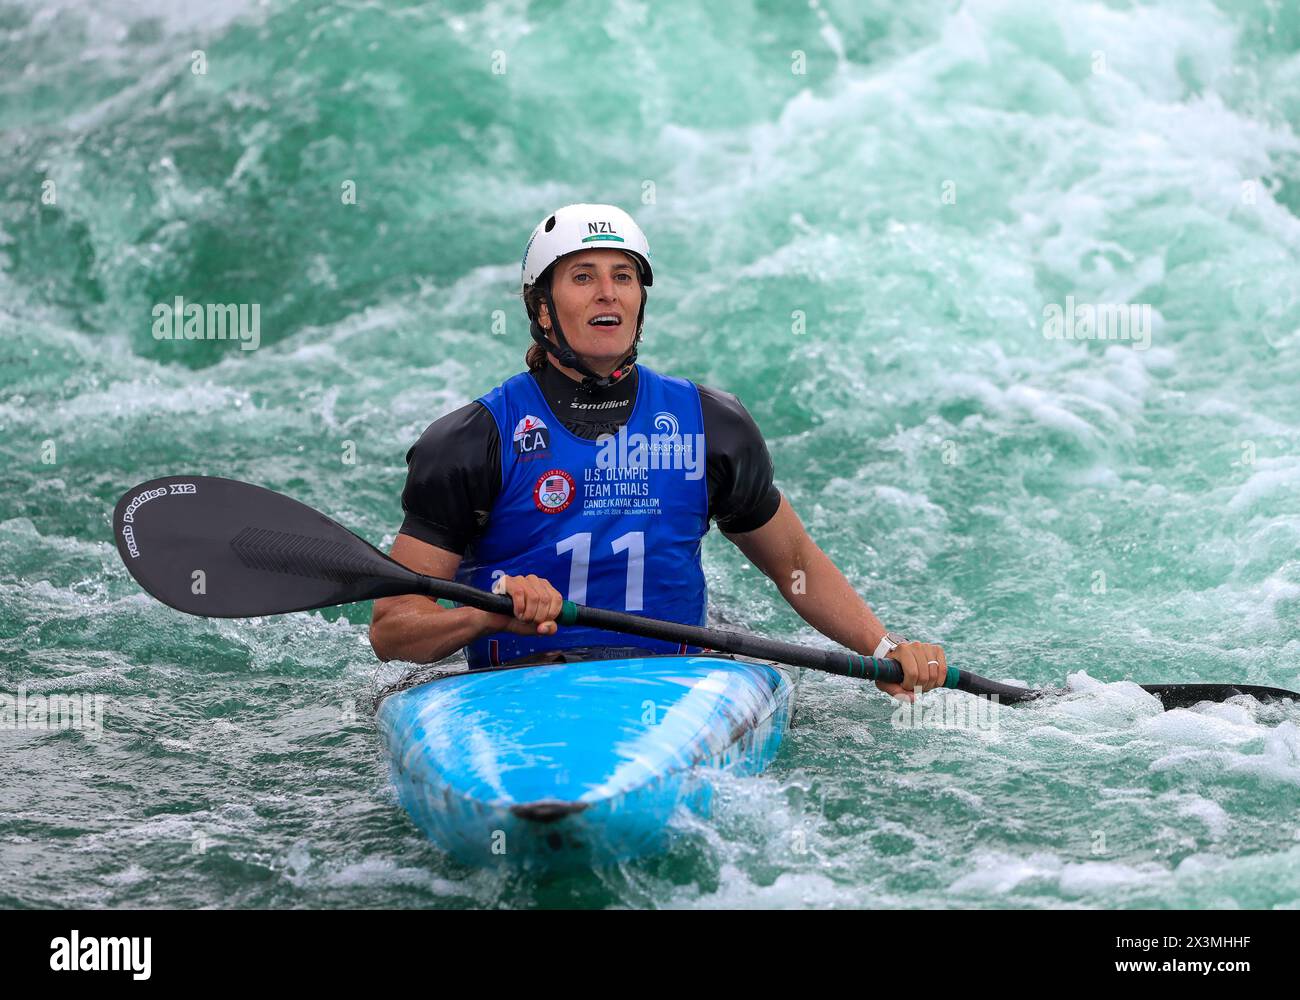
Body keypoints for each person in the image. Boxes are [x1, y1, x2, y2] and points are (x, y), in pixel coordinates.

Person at [369, 204, 947, 698]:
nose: (607, 292)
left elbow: (794, 565)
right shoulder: (475, 440)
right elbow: (392, 629)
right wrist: (482, 613)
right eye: (582, 277)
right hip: (515, 684)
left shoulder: (711, 424)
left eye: (624, 276)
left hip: (672, 685)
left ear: (640, 302)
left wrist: (885, 649)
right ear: (542, 309)